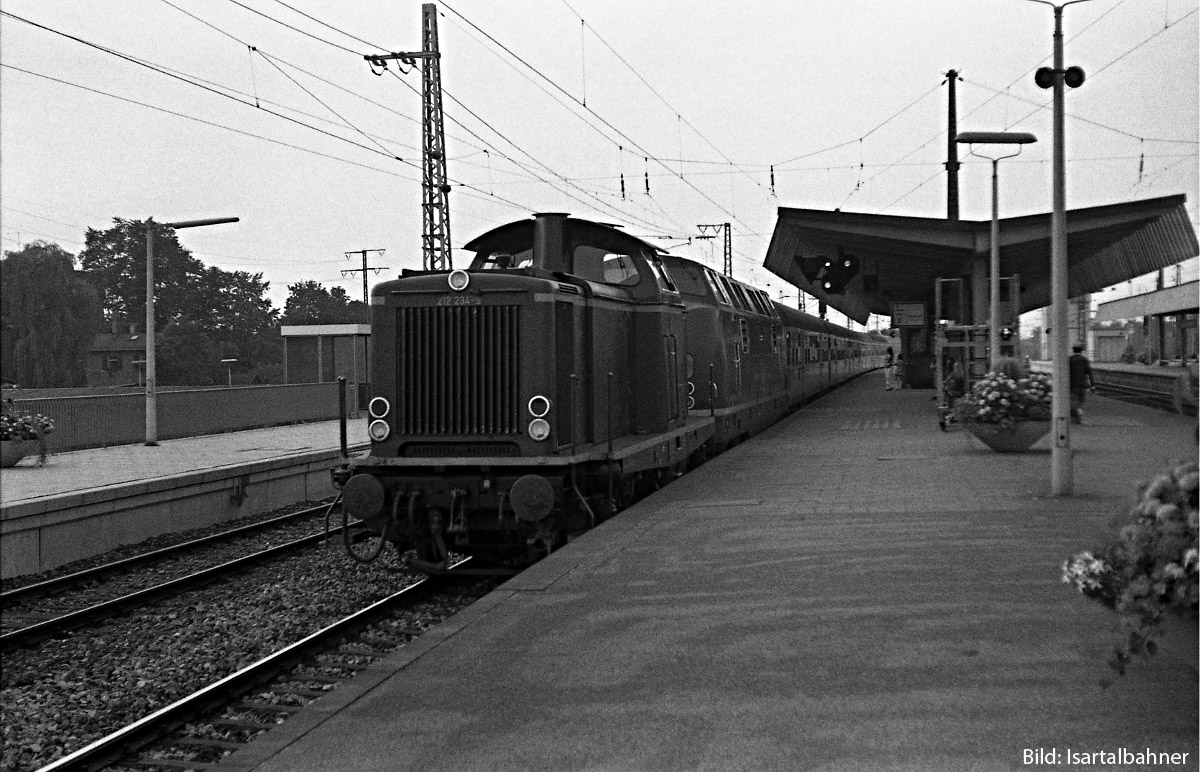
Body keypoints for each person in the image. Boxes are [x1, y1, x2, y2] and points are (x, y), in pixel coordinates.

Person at [1068, 344, 1094, 424]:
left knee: (1073, 401)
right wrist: (1092, 385)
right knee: (1081, 402)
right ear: (1081, 351)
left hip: (1072, 385)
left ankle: (1077, 417)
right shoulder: (1085, 360)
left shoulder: (1069, 360)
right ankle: (1078, 417)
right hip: (1083, 385)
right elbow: (1090, 372)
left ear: (1073, 351)